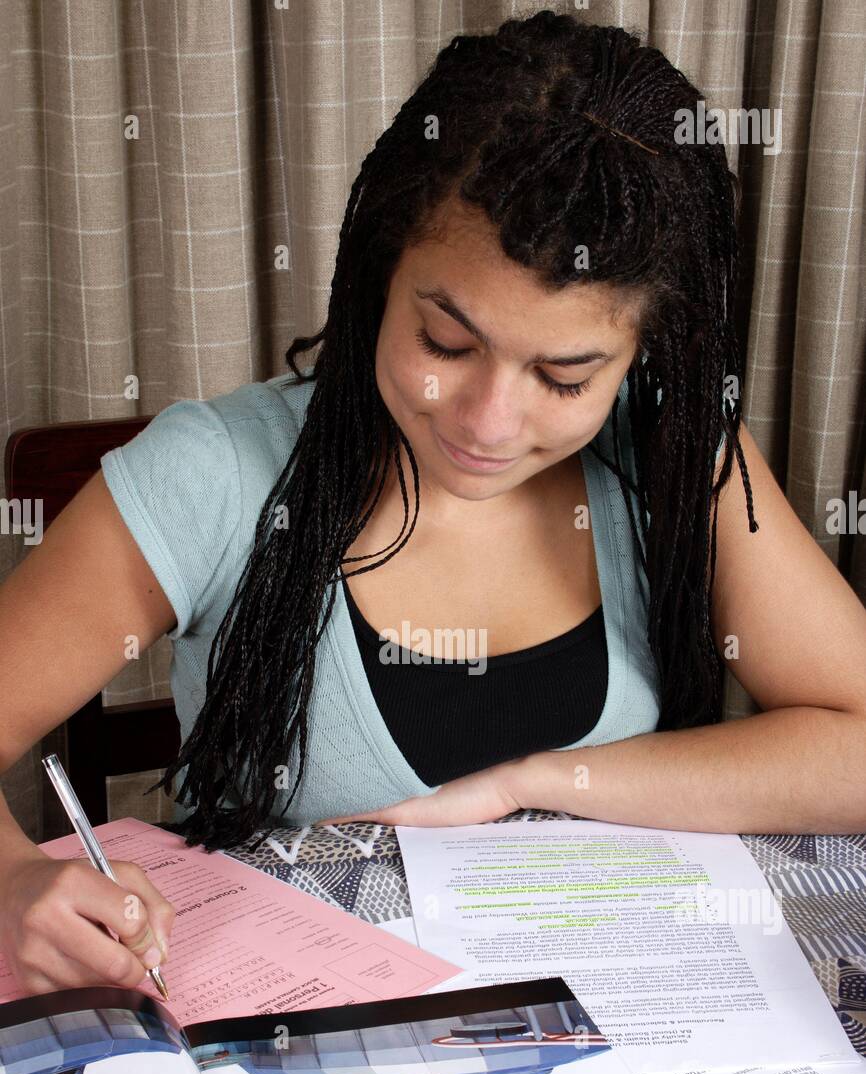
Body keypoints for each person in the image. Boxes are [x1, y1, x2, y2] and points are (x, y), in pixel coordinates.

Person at [1, 13, 865, 998]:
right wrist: (16, 879)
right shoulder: (217, 476)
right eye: (447, 343)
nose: (488, 420)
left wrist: (532, 785)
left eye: (564, 375)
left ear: (640, 356)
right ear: (381, 275)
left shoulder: (670, 457)